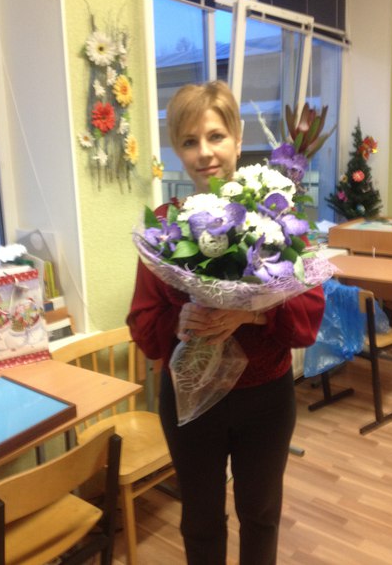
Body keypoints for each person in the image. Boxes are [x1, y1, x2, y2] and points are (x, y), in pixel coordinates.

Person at [127, 81, 325, 565]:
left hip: (265, 398)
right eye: (189, 141)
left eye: (215, 136)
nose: (204, 153)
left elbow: (307, 317)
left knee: (261, 514)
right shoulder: (163, 226)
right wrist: (180, 320)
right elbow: (143, 323)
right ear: (178, 152)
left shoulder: (277, 213)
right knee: (200, 521)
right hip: (190, 399)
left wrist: (253, 311)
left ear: (237, 140)